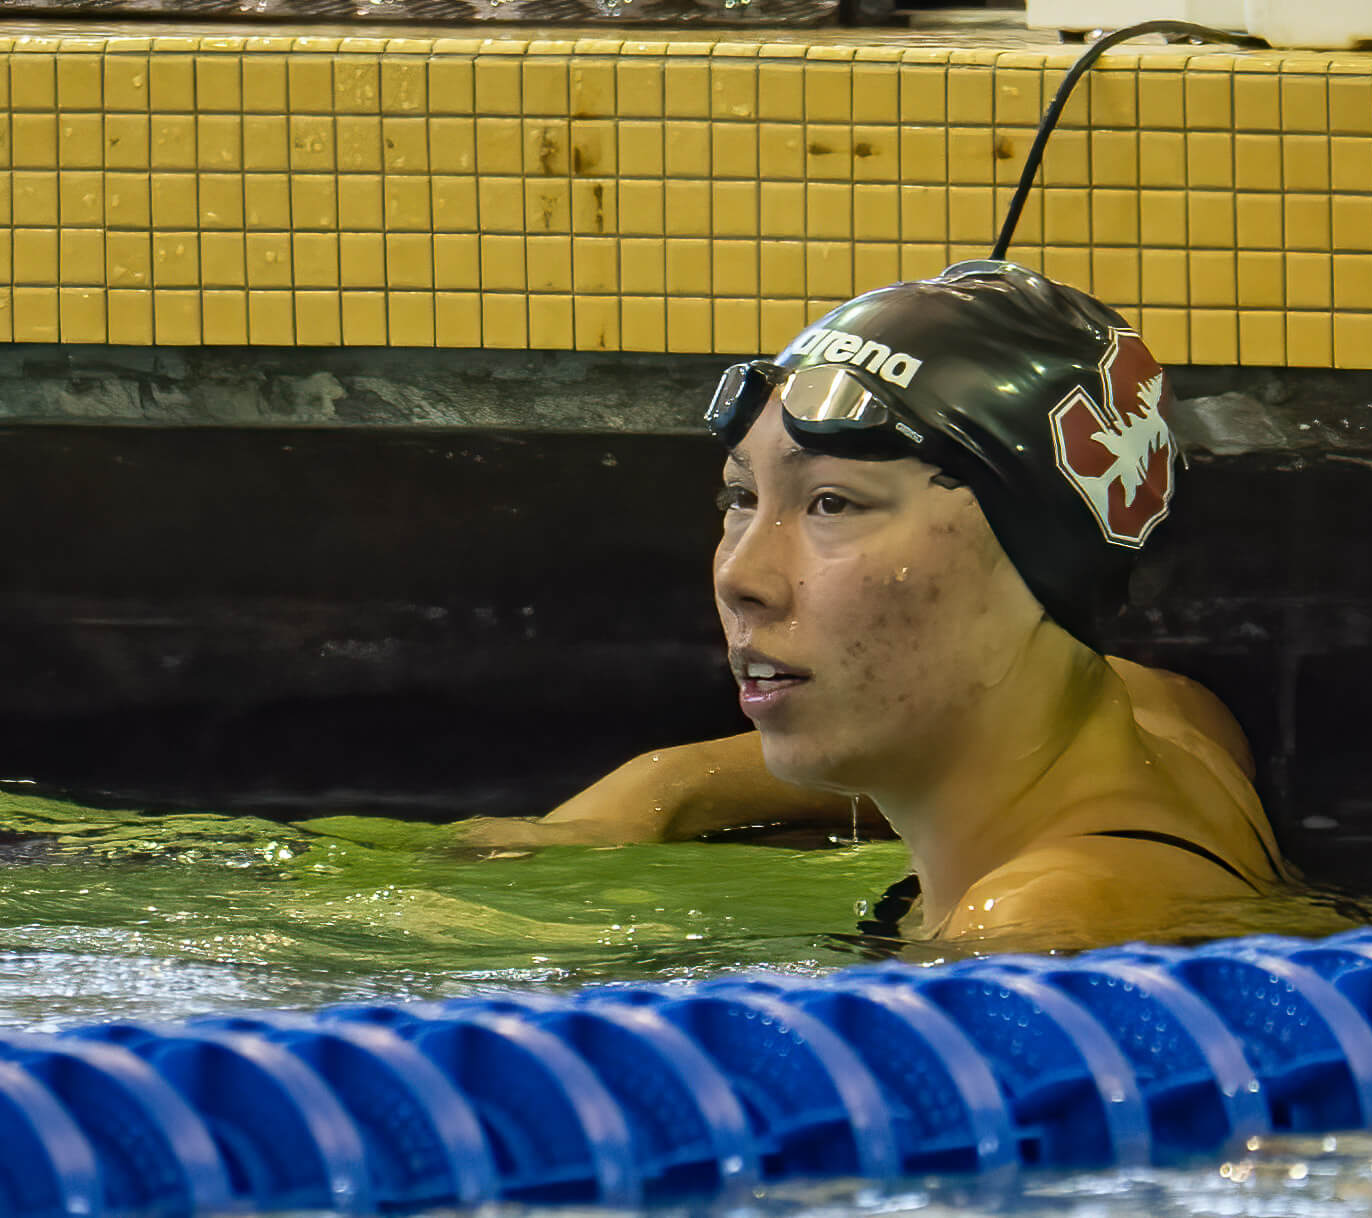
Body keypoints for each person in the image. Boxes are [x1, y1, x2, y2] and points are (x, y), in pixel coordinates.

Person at [461, 261, 1293, 948]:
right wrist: (668, 783)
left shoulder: (1035, 931)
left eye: (833, 504)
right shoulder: (1171, 730)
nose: (741, 577)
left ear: (1037, 558)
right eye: (740, 498)